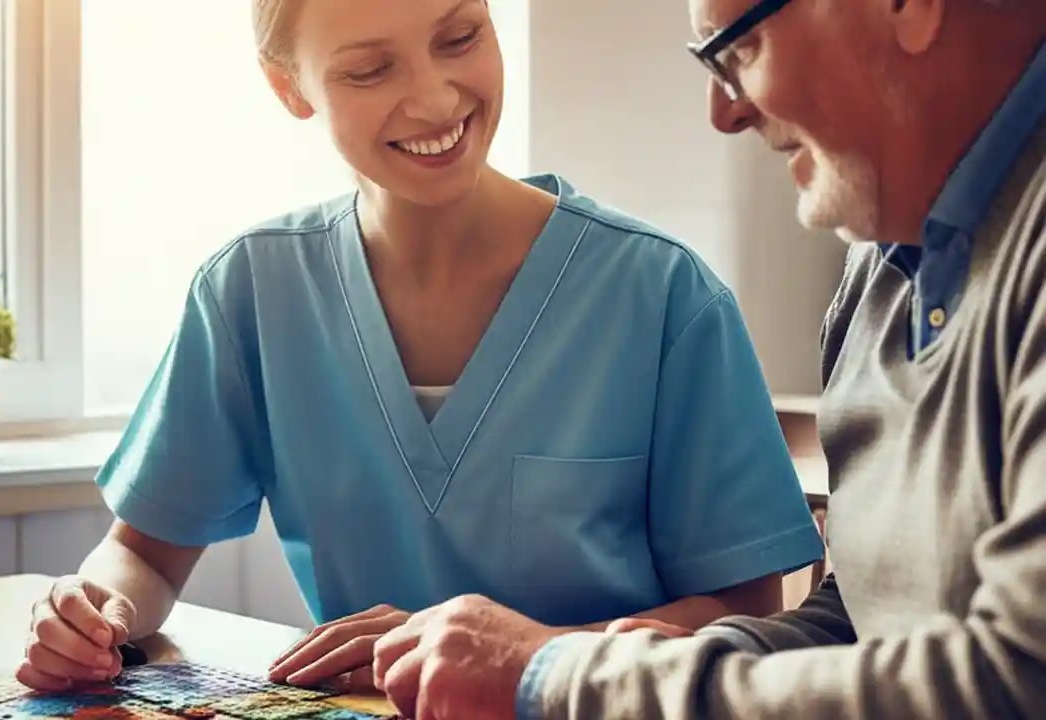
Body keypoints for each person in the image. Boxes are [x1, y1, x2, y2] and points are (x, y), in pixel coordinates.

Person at [15, 0, 824, 694]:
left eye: (460, 37)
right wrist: (95, 613)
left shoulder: (664, 294)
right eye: (370, 71)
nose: (435, 98)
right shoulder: (250, 290)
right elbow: (144, 557)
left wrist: (528, 658)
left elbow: (746, 613)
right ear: (289, 87)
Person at [369, 0, 1046, 718]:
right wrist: (655, 662)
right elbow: (871, 619)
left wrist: (561, 678)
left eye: (739, 49)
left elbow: (1018, 679)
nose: (724, 113)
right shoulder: (882, 265)